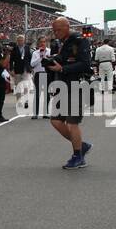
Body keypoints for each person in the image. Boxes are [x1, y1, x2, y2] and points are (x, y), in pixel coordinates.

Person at [41, 17, 93, 169]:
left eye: (58, 29)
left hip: (76, 85)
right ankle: (81, 146)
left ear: (67, 27)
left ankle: (78, 156)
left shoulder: (79, 40)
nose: (55, 33)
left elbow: (85, 64)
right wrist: (53, 60)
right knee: (56, 120)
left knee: (72, 122)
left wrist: (62, 68)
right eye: (54, 30)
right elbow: (63, 58)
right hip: (62, 85)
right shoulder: (62, 42)